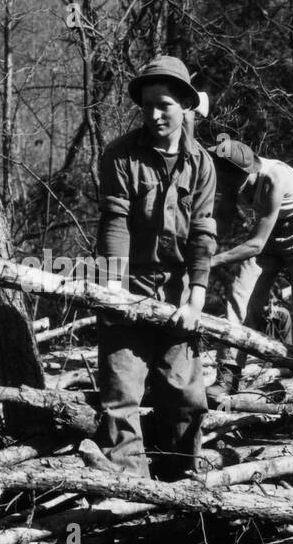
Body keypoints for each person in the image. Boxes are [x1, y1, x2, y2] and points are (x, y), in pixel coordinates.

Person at [88, 55, 217, 481]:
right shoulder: (120, 156)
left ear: (185, 106)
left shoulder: (202, 164)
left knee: (185, 394)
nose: (155, 115)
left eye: (164, 104)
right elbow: (116, 223)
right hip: (126, 286)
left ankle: (179, 485)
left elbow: (202, 235)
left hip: (177, 292)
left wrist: (196, 298)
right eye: (147, 106)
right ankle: (129, 490)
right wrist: (114, 291)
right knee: (122, 392)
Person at [205, 138, 293, 403]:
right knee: (241, 292)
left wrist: (213, 261)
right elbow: (223, 220)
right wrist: (204, 247)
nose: (222, 181)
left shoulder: (274, 179)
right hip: (271, 233)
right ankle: (228, 373)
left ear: (243, 174)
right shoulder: (231, 181)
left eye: (226, 176)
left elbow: (256, 244)